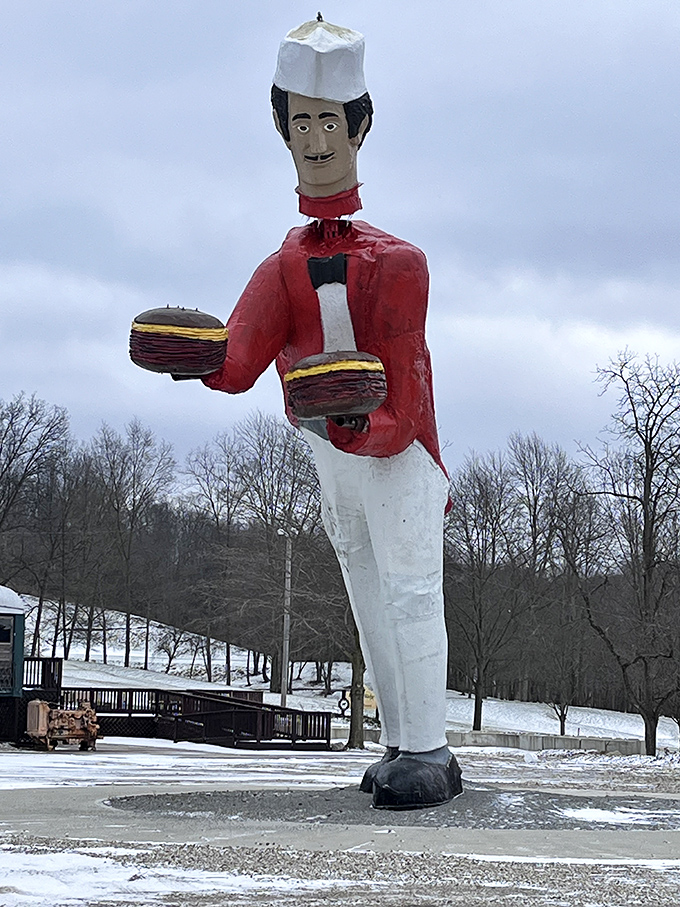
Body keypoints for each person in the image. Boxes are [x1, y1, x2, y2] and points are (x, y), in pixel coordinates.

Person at [202, 16, 462, 810]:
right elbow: (237, 358)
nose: (316, 142)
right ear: (283, 132)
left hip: (398, 456)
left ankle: (429, 746)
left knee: (412, 589)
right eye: (302, 123)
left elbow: (405, 400)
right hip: (332, 460)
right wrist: (190, 353)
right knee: (366, 592)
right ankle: (401, 741)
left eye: (330, 123)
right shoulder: (282, 263)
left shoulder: (399, 263)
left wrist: (355, 421)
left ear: (360, 127)